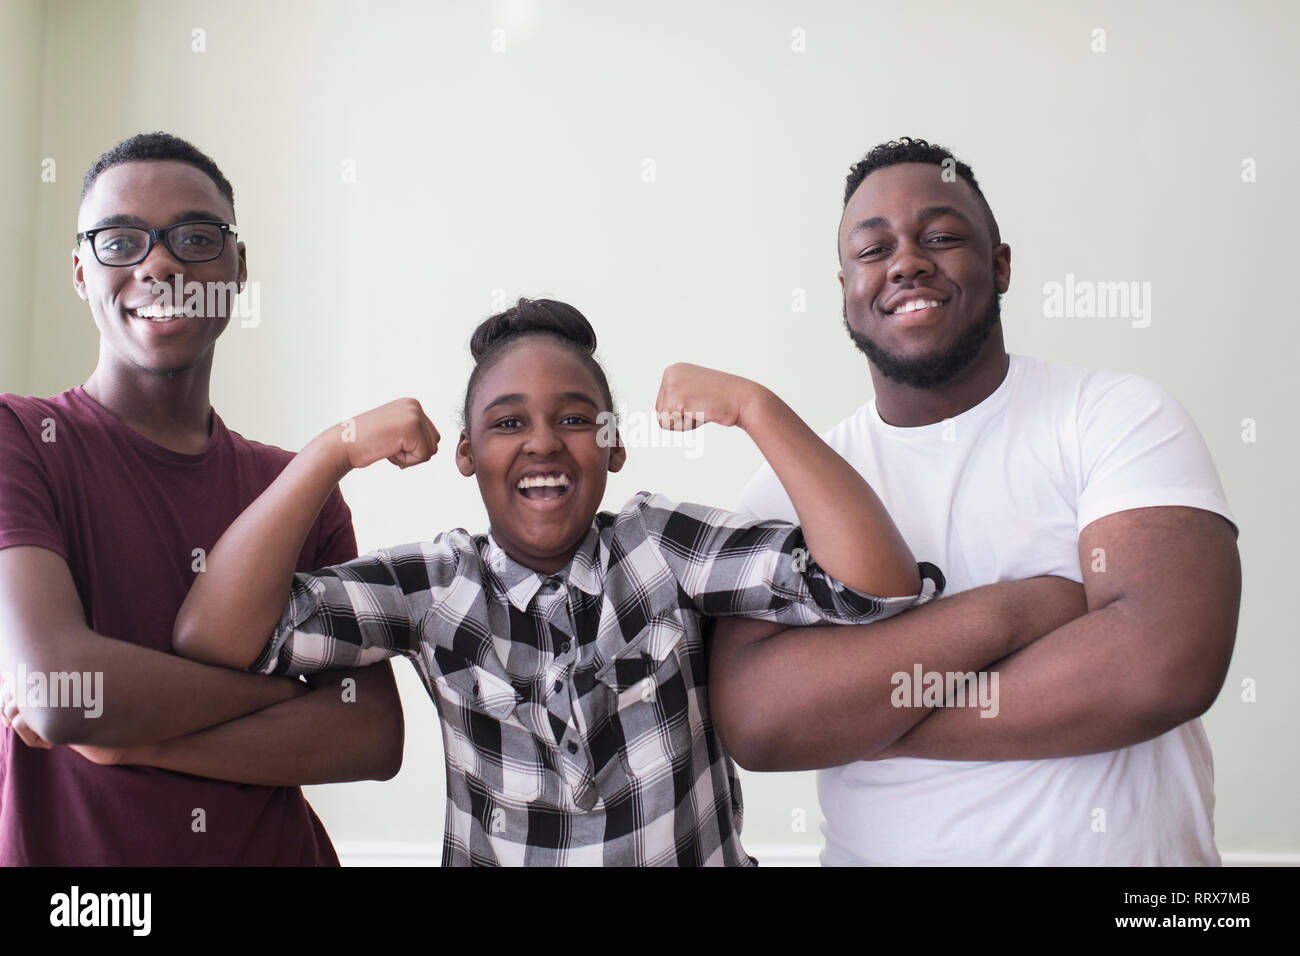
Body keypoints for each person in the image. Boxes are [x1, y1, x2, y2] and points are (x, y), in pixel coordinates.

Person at [170, 297, 948, 866]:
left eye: (575, 419)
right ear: (468, 453)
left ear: (613, 446)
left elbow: (875, 585)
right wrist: (330, 454)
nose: (543, 444)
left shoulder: (663, 548)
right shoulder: (436, 587)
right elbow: (220, 636)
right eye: (509, 423)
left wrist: (755, 408)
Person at [710, 137, 1241, 866]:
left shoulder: (1117, 415)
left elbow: (1162, 666)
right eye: (874, 250)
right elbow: (762, 724)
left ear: (1000, 265)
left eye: (940, 236)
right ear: (845, 293)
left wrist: (867, 712)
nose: (906, 262)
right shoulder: (789, 487)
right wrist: (1018, 610)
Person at [0, 132, 404, 865]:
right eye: (120, 241)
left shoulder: (296, 489)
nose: (159, 263)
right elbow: (61, 692)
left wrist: (134, 738)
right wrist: (284, 700)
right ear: (81, 273)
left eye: (194, 237)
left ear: (237, 268)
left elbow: (369, 735)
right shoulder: (21, 438)